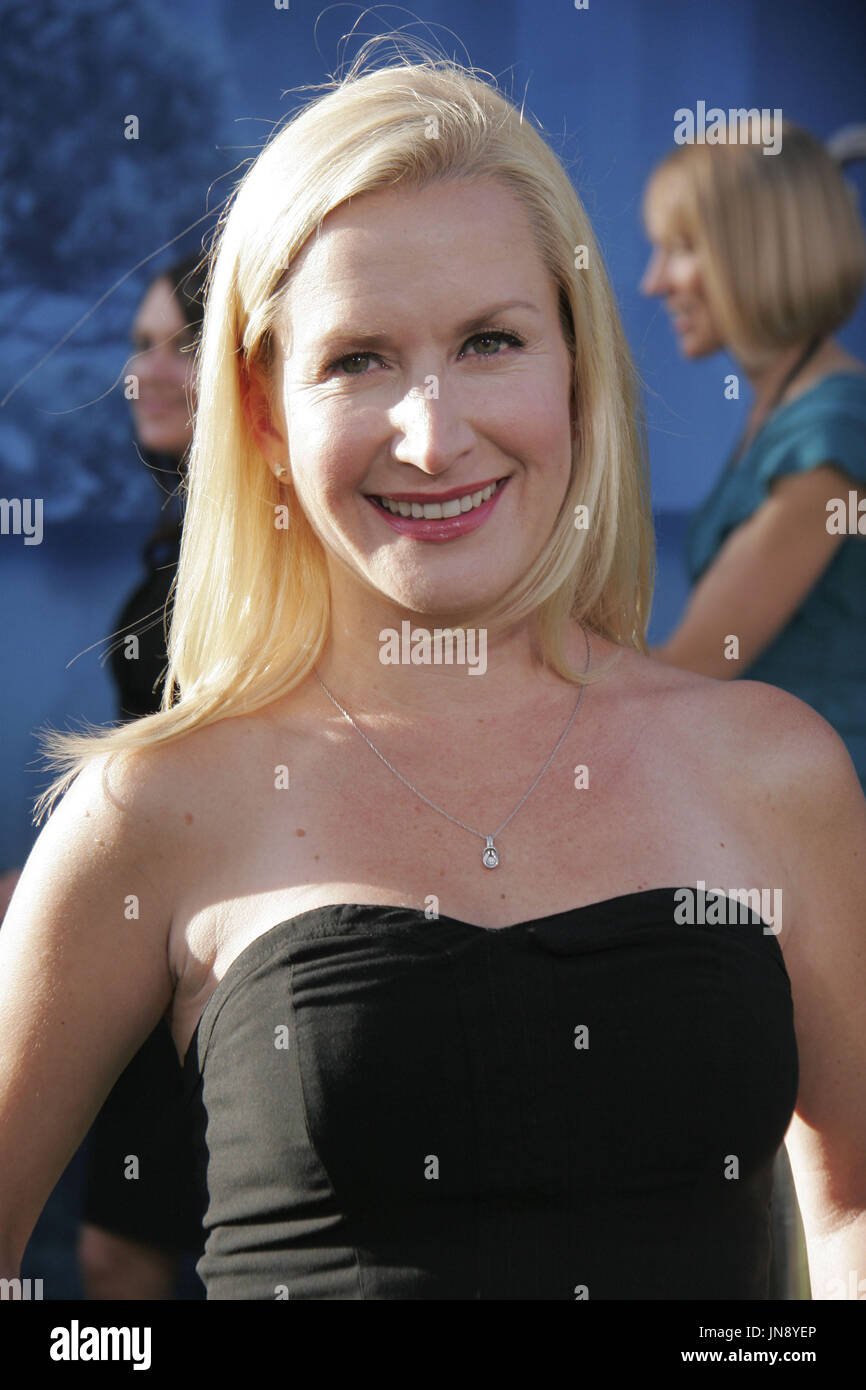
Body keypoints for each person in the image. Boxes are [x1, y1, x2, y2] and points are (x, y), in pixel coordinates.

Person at [1, 43, 864, 1300]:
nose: (433, 432)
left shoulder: (772, 768)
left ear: (575, 368)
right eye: (356, 360)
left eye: (490, 342)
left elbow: (847, 1214)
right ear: (259, 416)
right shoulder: (152, 809)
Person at [640, 123, 866, 793]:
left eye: (681, 249)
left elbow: (691, 670)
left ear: (756, 253)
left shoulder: (832, 433)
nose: (654, 282)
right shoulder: (793, 411)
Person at [76, 255, 208, 1299]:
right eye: (139, 343)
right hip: (143, 935)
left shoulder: (255, 544)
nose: (150, 371)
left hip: (192, 947)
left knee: (127, 1247)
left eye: (185, 343)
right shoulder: (184, 537)